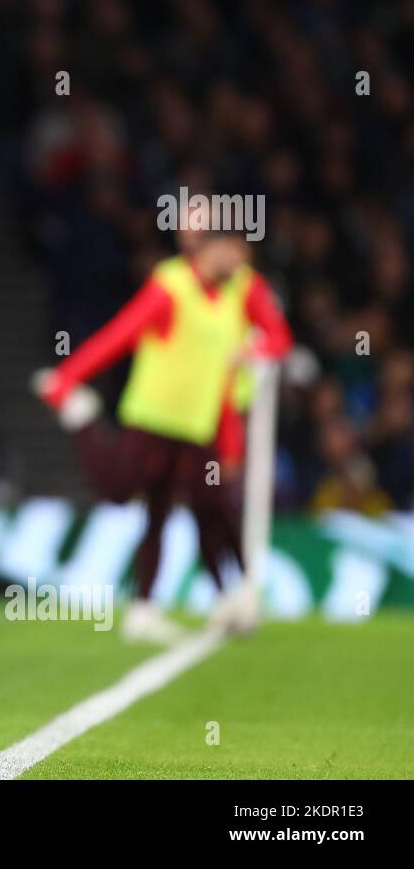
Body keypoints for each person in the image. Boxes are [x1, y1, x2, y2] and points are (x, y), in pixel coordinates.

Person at [34, 227, 292, 642]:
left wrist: (254, 352)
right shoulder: (172, 285)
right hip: (155, 418)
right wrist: (68, 377)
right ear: (211, 248)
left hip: (199, 425)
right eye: (234, 248)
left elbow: (276, 339)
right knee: (120, 492)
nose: (241, 258)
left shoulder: (238, 290)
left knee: (205, 506)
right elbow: (119, 335)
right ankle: (80, 418)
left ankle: (178, 602)